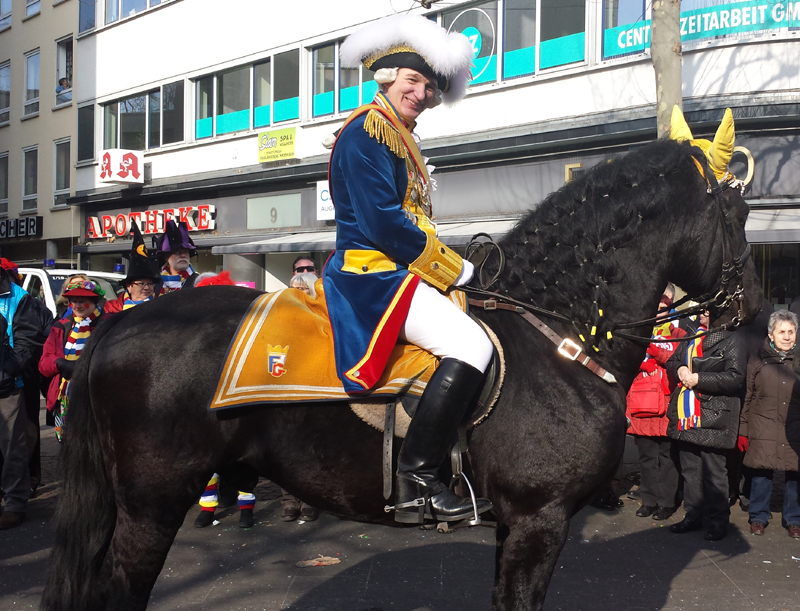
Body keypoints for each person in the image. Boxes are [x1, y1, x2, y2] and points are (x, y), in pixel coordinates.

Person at [322, 14, 492, 524]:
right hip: (370, 275)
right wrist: (454, 270)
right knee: (472, 345)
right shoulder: (369, 133)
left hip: (394, 268)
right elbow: (384, 226)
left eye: (428, 86)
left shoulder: (397, 133)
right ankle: (417, 479)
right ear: (385, 76)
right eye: (412, 80)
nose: (420, 92)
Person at [666, 310, 746, 541]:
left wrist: (699, 379)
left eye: (707, 309)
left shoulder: (733, 338)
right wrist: (680, 368)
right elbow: (673, 361)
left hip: (714, 415)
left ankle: (718, 521)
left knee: (714, 472)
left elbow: (735, 377)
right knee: (690, 470)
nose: (701, 312)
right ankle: (693, 515)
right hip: (687, 414)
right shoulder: (692, 336)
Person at [190, 271, 258, 529]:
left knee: (245, 458)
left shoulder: (242, 325)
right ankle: (208, 507)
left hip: (237, 402)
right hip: (205, 404)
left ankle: (246, 508)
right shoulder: (193, 329)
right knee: (208, 460)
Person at [738, 310, 800, 537]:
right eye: (781, 331)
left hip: (795, 427)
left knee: (795, 475)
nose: (786, 336)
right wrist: (743, 429)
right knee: (762, 474)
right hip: (762, 425)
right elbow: (748, 396)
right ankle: (758, 517)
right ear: (770, 335)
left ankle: (794, 519)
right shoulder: (757, 359)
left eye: (791, 332)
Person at [627, 290, 685, 520]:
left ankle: (666, 502)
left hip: (667, 403)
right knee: (647, 458)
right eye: (656, 307)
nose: (659, 312)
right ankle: (649, 500)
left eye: (664, 307)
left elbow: (676, 360)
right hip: (642, 402)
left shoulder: (679, 333)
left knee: (668, 457)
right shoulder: (637, 332)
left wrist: (652, 351)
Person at [276, 265, 321, 523]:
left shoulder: (321, 315)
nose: (299, 293)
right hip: (286, 389)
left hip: (313, 388)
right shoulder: (281, 317)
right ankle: (289, 502)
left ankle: (310, 501)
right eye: (295, 289)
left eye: (304, 289)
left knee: (310, 449)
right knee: (286, 449)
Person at [0, 262, 43, 529]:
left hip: (6, 384)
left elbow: (29, 338)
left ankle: (15, 504)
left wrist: (9, 368)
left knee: (11, 447)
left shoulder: (19, 297)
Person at [38, 280, 106, 442]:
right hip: (66, 396)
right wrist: (60, 363)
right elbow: (43, 364)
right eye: (74, 301)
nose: (77, 305)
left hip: (99, 395)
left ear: (94, 302)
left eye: (83, 301)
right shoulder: (61, 326)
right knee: (68, 444)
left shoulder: (107, 324)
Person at [105, 225, 160, 313]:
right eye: (141, 283)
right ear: (129, 287)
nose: (146, 287)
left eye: (150, 284)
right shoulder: (112, 309)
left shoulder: (160, 308)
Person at [155, 220, 199, 293]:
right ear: (166, 257)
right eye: (177, 252)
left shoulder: (199, 282)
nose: (183, 255)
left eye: (185, 252)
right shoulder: (156, 284)